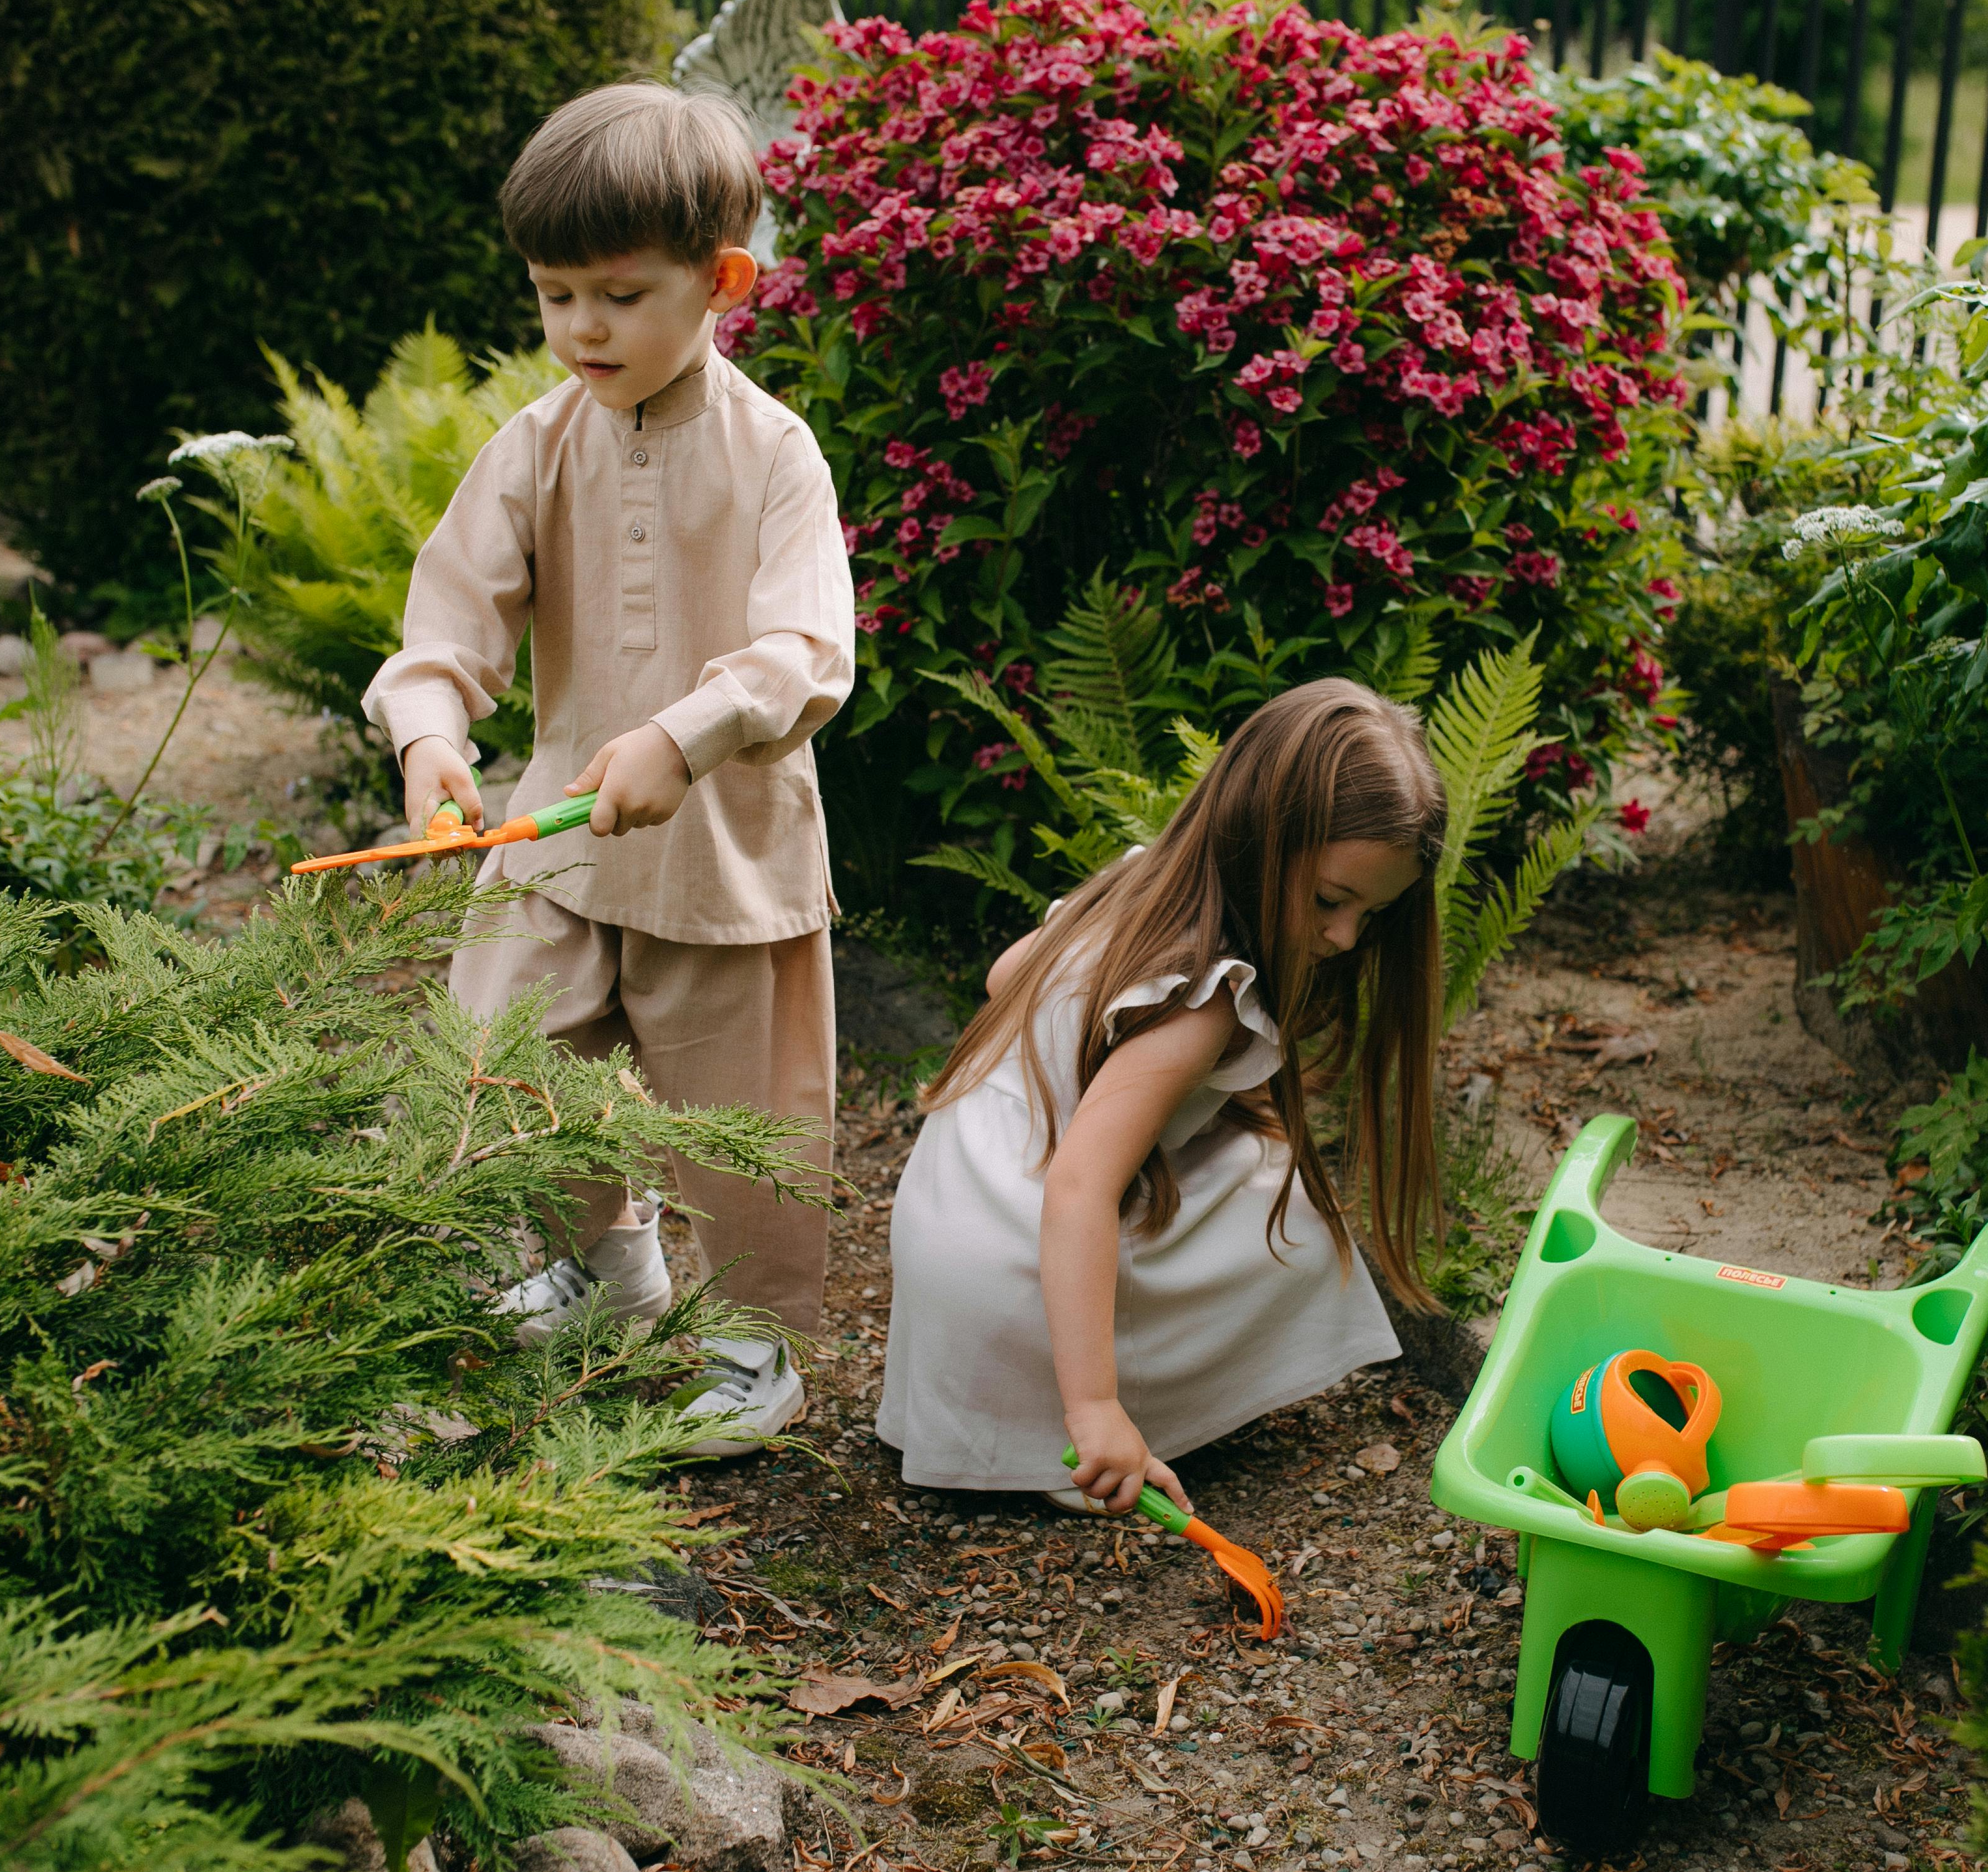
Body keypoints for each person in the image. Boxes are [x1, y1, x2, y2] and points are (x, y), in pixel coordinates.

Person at [362, 82, 853, 1454]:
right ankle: (606, 1268)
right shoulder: (535, 445)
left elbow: (809, 650)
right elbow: (451, 617)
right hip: (558, 842)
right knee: (506, 1061)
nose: (583, 328)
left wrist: (684, 735)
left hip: (726, 861)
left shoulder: (775, 458)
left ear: (722, 282)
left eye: (620, 296)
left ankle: (754, 1340)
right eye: (555, 294)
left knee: (737, 1120)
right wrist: (433, 737)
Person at [878, 680, 1447, 1515]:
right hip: (1013, 1267)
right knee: (1283, 1212)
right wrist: (1095, 1409)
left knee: (1244, 1152)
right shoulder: (1207, 995)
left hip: (947, 1224)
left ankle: (1032, 1403)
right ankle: (1082, 1429)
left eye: (1372, 913)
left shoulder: (1142, 881)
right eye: (1332, 900)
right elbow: (1079, 1188)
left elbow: (1007, 976)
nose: (1346, 937)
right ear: (1264, 835)